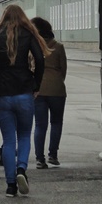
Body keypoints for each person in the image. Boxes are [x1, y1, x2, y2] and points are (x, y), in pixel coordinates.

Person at [0, 3, 49, 197]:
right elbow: (40, 59)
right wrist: (36, 84)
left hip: (2, 92)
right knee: (24, 135)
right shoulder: (28, 34)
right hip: (24, 90)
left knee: (8, 140)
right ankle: (21, 169)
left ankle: (10, 185)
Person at [31, 17, 67, 169]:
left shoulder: (33, 46)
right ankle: (53, 155)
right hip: (57, 89)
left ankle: (40, 159)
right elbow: (63, 68)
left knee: (40, 125)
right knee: (56, 122)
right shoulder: (58, 47)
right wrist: (57, 80)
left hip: (38, 89)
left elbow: (29, 67)